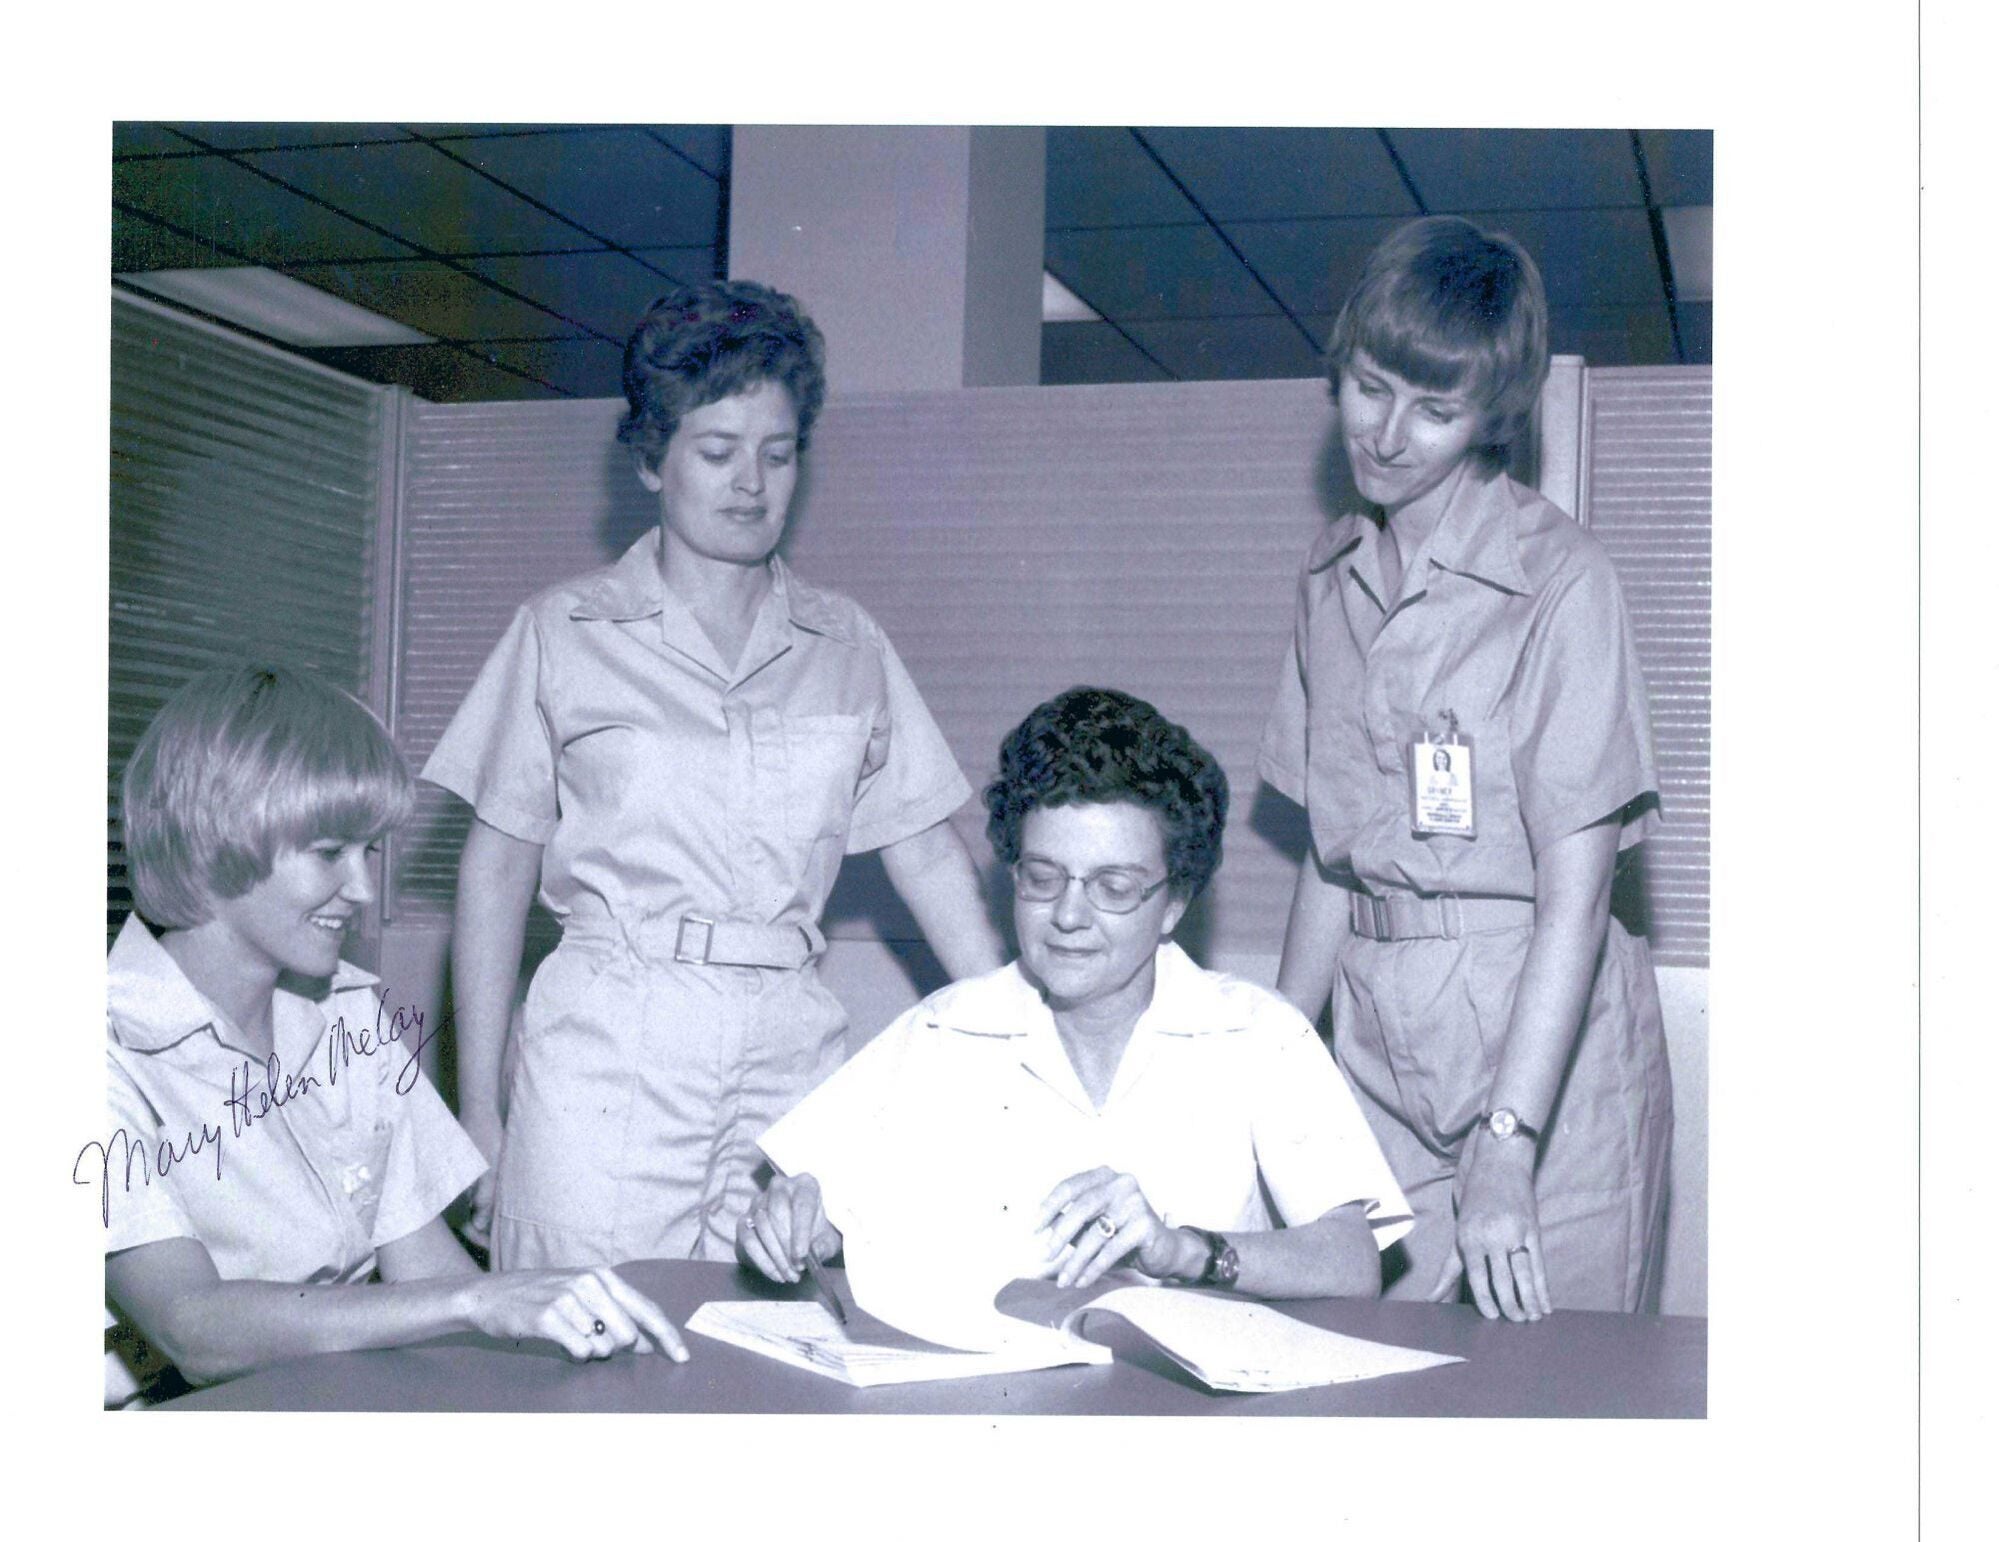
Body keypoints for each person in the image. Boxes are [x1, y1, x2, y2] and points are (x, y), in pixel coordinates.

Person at [424, 280, 1005, 1271]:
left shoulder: (845, 643)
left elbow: (929, 856)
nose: (751, 484)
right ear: (652, 460)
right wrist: (478, 1108)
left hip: (790, 1052)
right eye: (717, 451)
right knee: (581, 1358)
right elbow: (494, 872)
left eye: (777, 456)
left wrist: (1020, 1047)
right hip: (605, 1053)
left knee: (771, 1359)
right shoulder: (562, 632)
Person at [1258, 216, 1674, 1322]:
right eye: (1368, 387)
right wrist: (1273, 1063)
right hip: (1378, 1040)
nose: (1387, 435)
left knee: (1556, 1394)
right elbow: (1329, 861)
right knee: (1374, 1375)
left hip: (1544, 1049)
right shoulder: (1325, 573)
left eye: (1433, 410)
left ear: (1490, 417)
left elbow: (1575, 906)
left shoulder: (1561, 583)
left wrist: (1508, 1138)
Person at [98, 666, 684, 1398]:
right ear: (212, 838)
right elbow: (193, 1327)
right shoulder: (98, 1050)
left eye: (368, 852)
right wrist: (475, 1302)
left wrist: (560, 1314)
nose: (364, 891)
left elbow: (426, 1268)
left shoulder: (349, 1015)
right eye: (328, 853)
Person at [738, 687, 1411, 1301]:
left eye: (1113, 889)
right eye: (1041, 878)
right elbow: (818, 1210)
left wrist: (1183, 1250)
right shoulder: (944, 1031)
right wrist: (796, 1225)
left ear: (1172, 902)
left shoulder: (1259, 1034)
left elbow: (1352, 1262)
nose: (1067, 915)